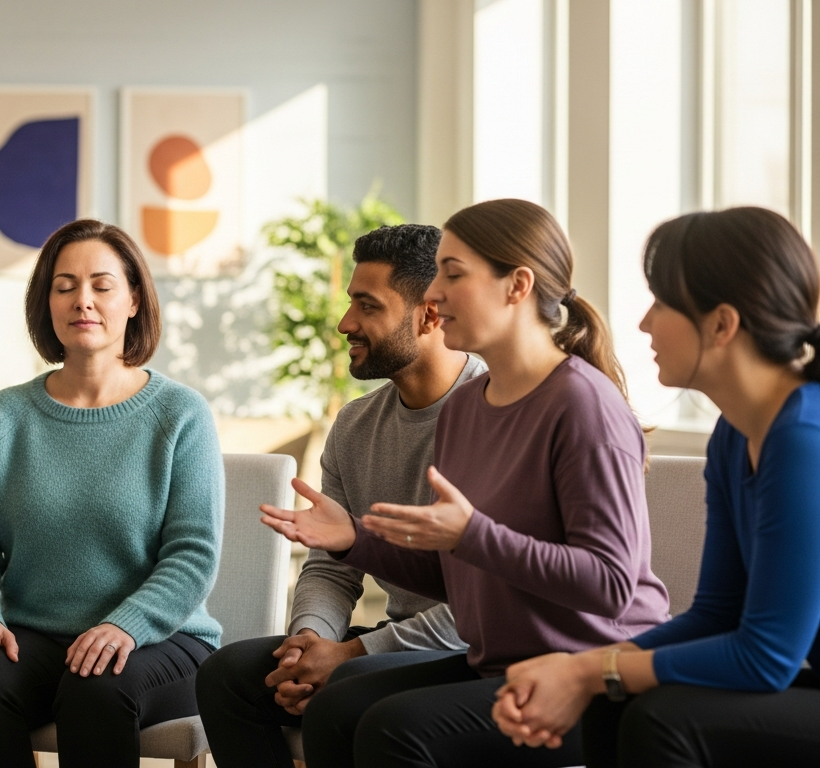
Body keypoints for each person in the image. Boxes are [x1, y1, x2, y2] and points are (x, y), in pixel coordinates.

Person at [260, 198, 671, 767]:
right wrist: (355, 540)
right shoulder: (467, 408)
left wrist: (471, 534)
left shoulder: (584, 405)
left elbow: (610, 584)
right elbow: (460, 577)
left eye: (452, 275)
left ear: (517, 286)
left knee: (393, 728)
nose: (434, 294)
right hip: (499, 662)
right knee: (337, 707)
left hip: (593, 671)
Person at [492, 207, 820, 767]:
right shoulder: (734, 435)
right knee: (613, 700)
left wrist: (588, 670)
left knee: (660, 717)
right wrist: (587, 673)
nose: (644, 323)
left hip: (790, 672)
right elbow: (717, 613)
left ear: (721, 325)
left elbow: (766, 656)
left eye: (662, 303)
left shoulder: (803, 439)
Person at [0, 219, 223, 768]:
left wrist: (124, 625)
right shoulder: (6, 415)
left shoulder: (181, 414)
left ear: (134, 299)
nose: (82, 301)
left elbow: (193, 555)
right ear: (46, 303)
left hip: (160, 640)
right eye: (64, 286)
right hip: (37, 636)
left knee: (94, 688)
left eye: (102, 285)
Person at [196, 224, 480, 768]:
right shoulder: (354, 426)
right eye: (351, 303)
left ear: (429, 315)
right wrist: (308, 644)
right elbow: (331, 568)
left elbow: (483, 604)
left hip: (465, 646)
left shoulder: (493, 412)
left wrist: (349, 652)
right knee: (227, 677)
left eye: (367, 306)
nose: (346, 323)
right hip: (397, 642)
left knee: (346, 688)